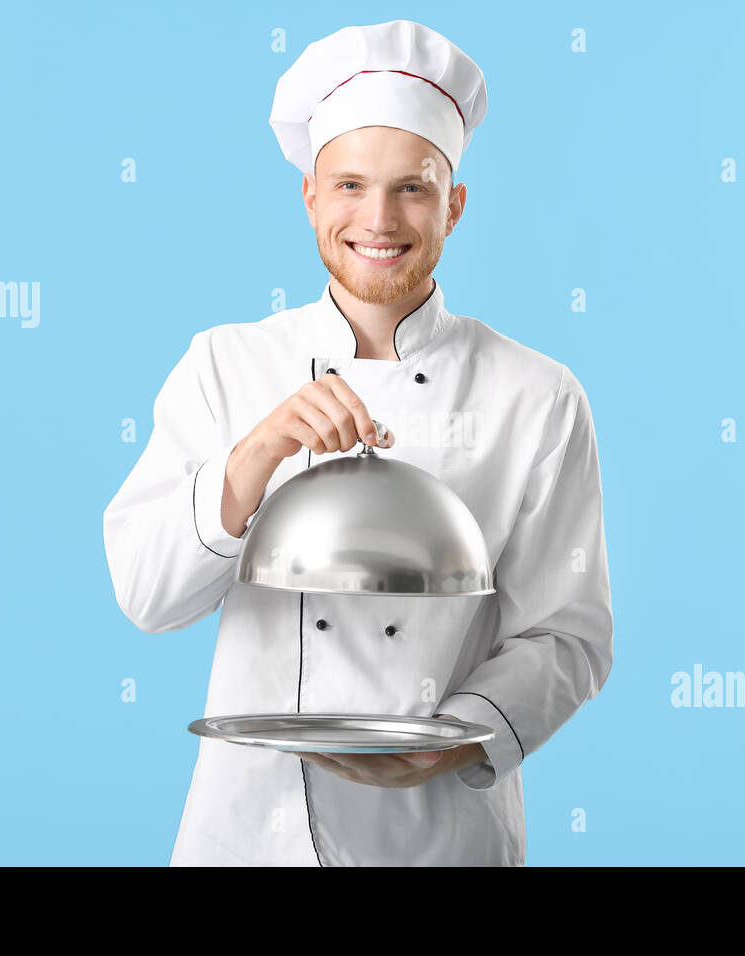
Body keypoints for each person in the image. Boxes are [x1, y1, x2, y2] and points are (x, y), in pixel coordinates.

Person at [102, 19, 613, 866]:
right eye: (348, 185)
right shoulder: (227, 363)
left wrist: (458, 737)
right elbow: (147, 597)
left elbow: (569, 635)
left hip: (437, 836)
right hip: (245, 833)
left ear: (453, 202)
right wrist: (253, 459)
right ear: (310, 196)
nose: (378, 219)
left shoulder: (537, 394)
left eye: (411, 188)